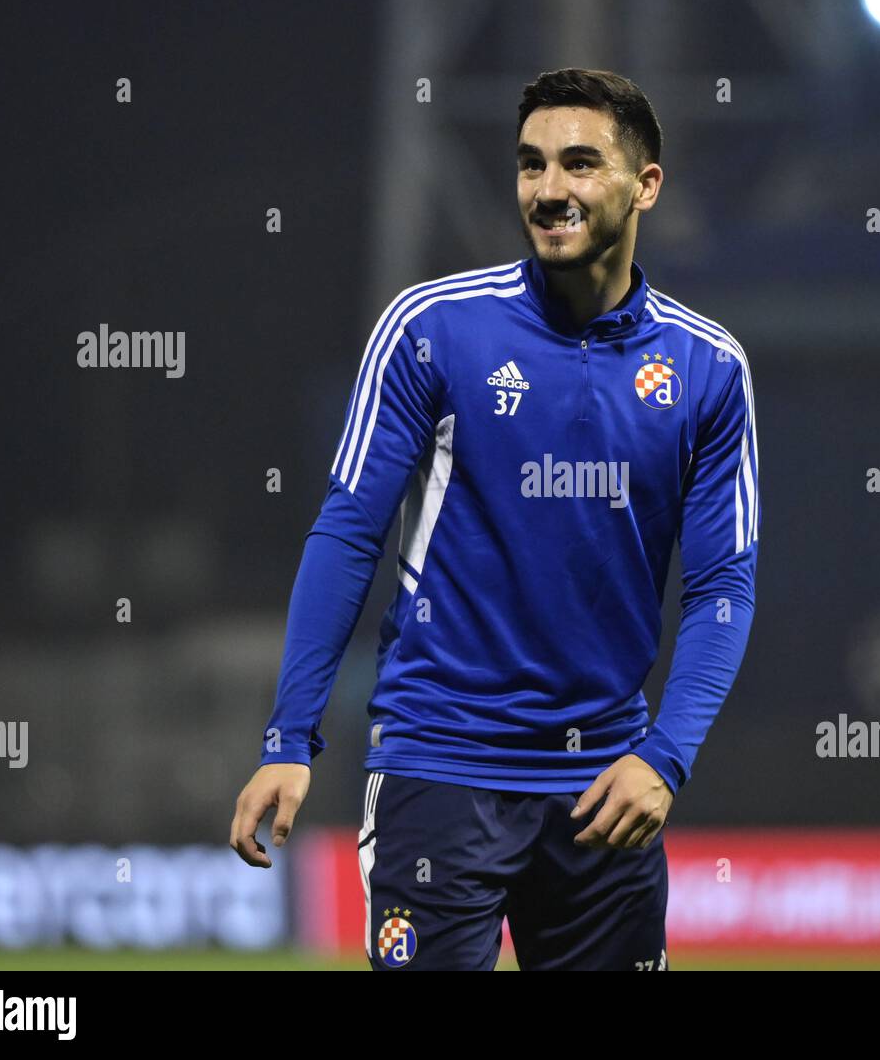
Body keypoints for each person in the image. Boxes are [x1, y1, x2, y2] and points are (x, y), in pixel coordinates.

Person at [230, 67, 759, 970]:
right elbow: (348, 530)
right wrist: (289, 733)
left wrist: (665, 754)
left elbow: (721, 585)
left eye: (581, 163)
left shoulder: (708, 369)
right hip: (440, 769)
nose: (549, 189)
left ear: (646, 184)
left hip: (605, 788)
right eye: (530, 165)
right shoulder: (432, 328)